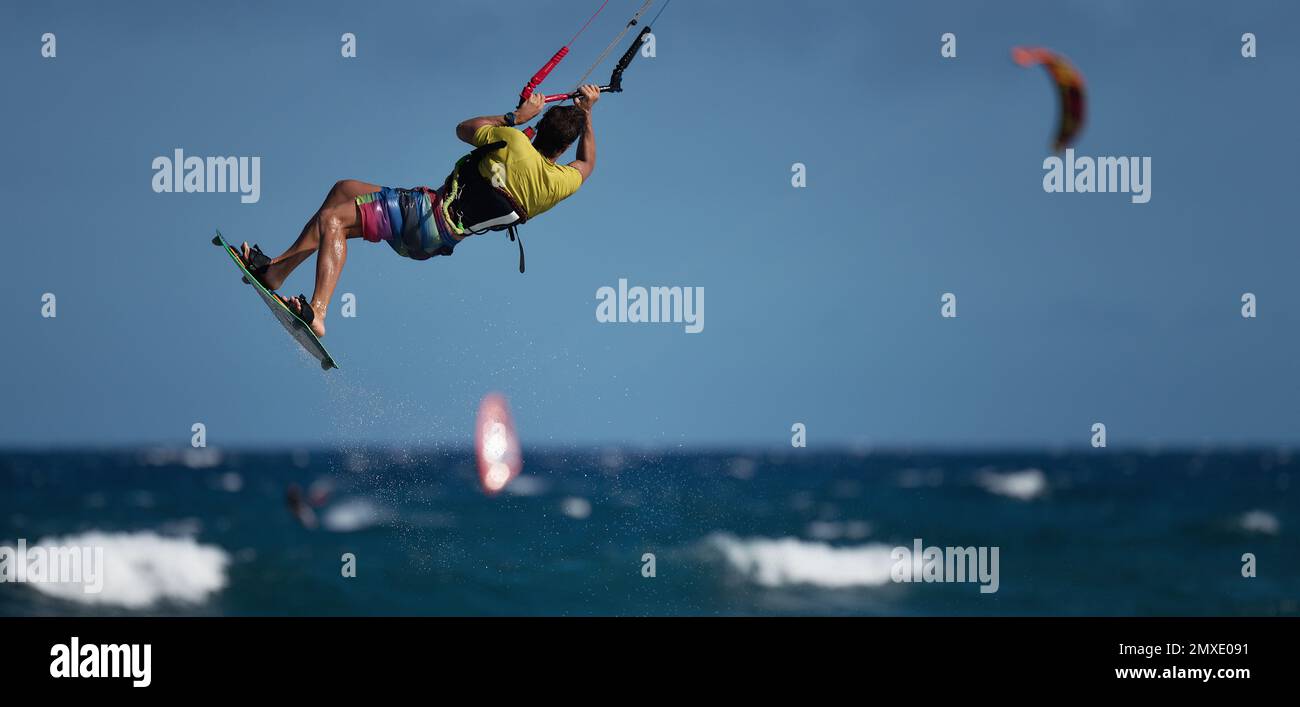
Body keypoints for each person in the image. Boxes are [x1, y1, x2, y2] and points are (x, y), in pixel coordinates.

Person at [235, 85, 600, 337]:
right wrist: (588, 115)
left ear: (539, 130)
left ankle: (318, 311)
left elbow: (463, 129)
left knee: (334, 220)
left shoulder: (514, 141)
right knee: (344, 190)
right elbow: (588, 163)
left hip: (423, 215)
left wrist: (515, 116)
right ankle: (277, 272)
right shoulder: (558, 184)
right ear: (564, 148)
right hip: (434, 242)